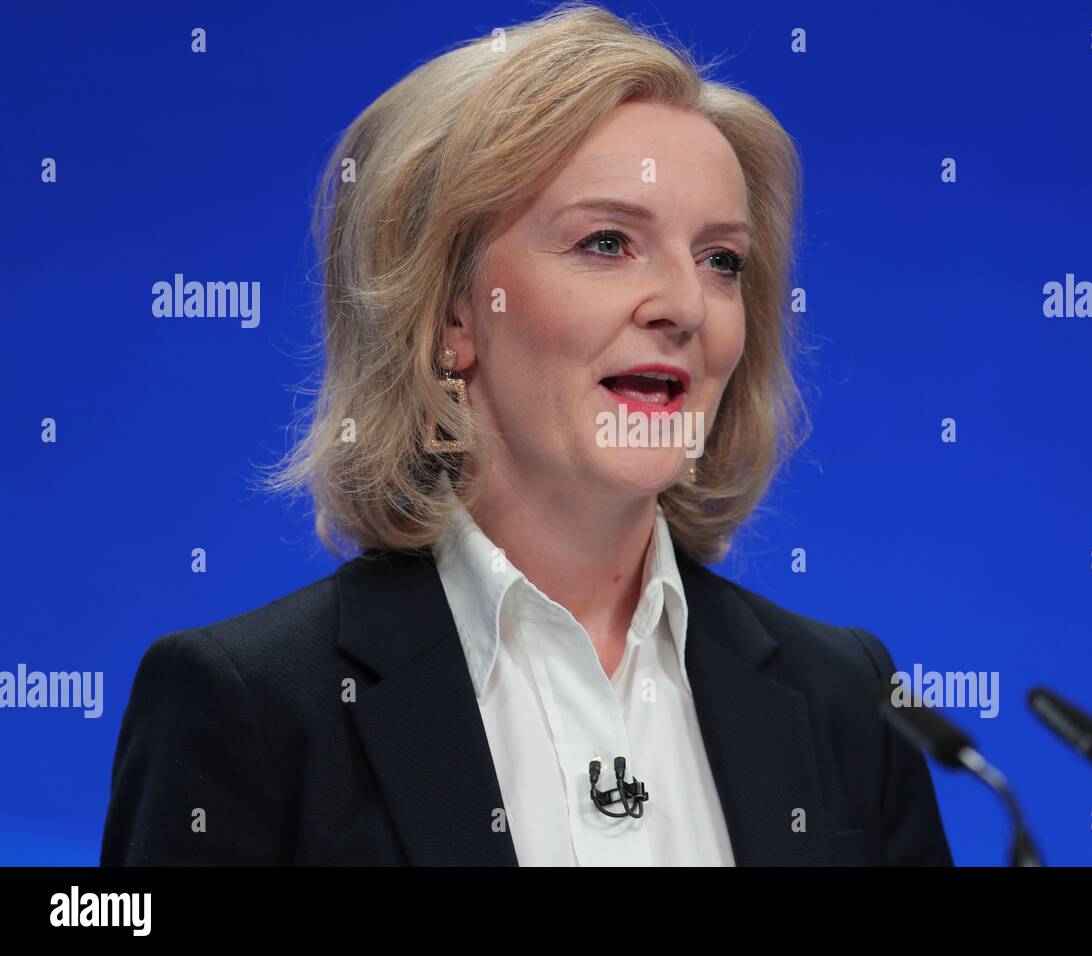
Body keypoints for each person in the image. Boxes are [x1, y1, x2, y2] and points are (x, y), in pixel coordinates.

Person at [100, 1, 951, 866]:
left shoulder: (849, 700)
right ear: (447, 313)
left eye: (721, 260)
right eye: (609, 241)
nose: (687, 307)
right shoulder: (248, 705)